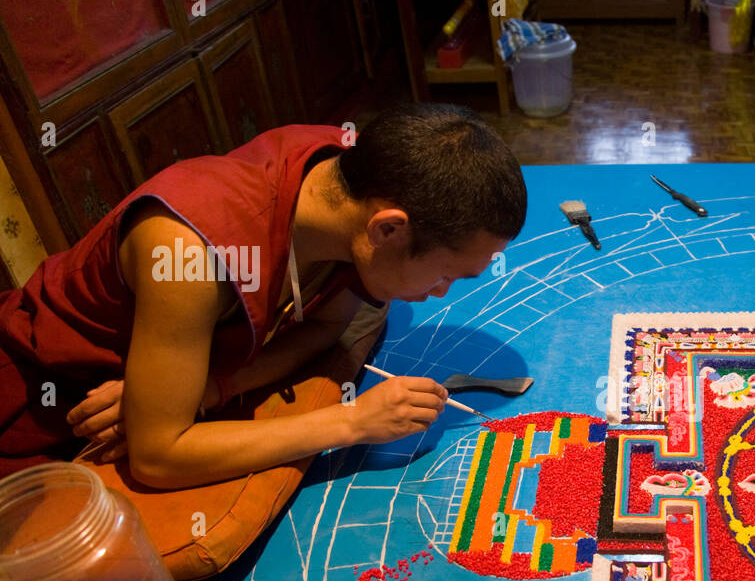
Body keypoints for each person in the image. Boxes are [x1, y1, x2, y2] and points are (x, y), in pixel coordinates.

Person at [0, 103, 527, 487]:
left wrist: (208, 387)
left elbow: (324, 326)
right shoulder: (189, 253)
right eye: (446, 276)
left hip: (152, 385)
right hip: (41, 417)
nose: (438, 295)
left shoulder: (344, 179)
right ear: (387, 230)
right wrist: (350, 422)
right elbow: (158, 456)